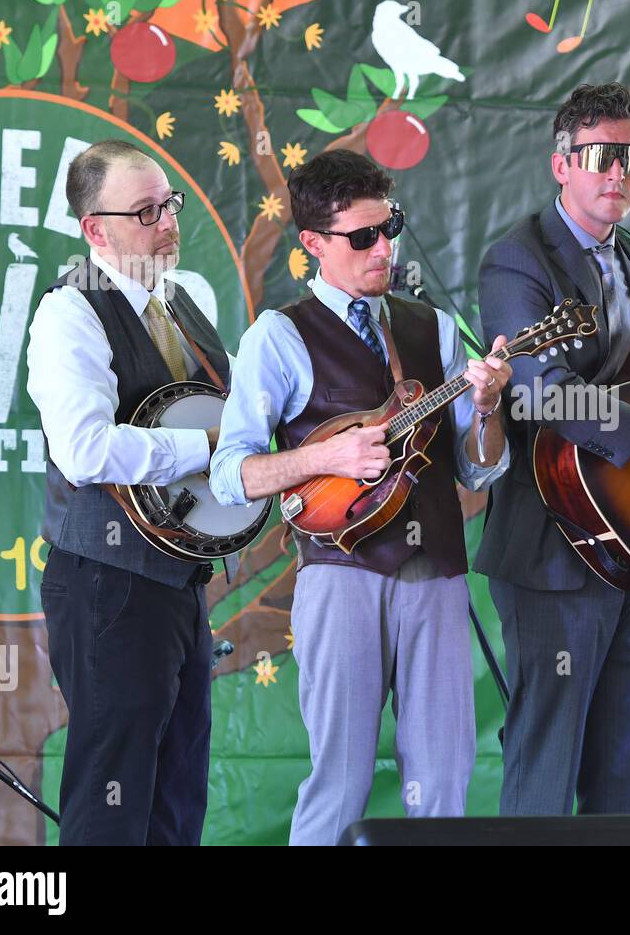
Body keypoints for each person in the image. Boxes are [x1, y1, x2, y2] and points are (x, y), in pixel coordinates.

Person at [209, 149, 511, 844]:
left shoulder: (432, 327)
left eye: (391, 226)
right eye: (363, 236)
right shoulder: (279, 335)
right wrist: (328, 454)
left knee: (443, 779)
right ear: (313, 244)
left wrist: (489, 406)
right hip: (339, 575)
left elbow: (480, 472)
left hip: (435, 571)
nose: (385, 247)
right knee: (340, 779)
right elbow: (232, 474)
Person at [476, 83, 630, 815]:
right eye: (600, 157)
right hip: (552, 549)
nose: (618, 173)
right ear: (562, 165)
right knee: (546, 770)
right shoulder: (516, 261)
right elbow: (544, 394)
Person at [27, 140, 228, 845]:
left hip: (177, 580)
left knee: (177, 801)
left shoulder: (179, 309)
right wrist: (209, 446)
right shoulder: (68, 312)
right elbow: (85, 451)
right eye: (145, 212)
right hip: (107, 583)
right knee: (110, 806)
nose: (168, 221)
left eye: (168, 203)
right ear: (95, 229)